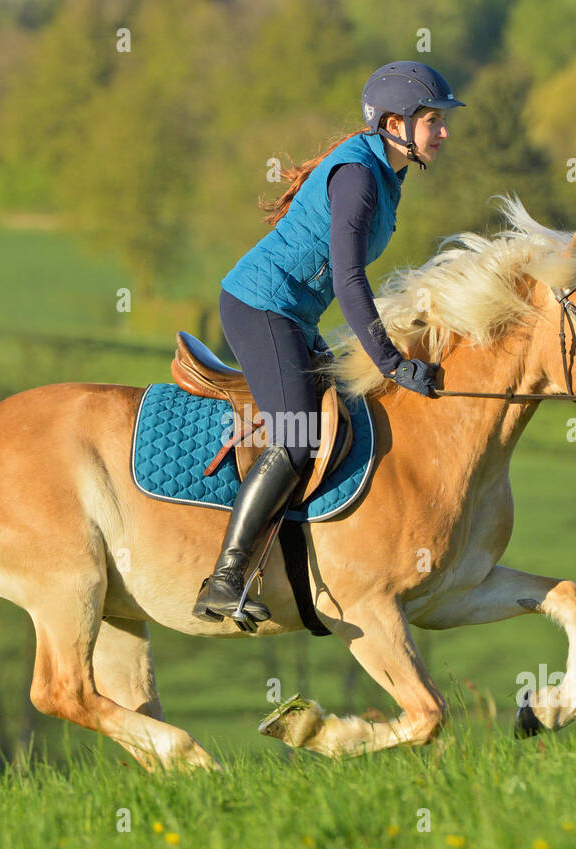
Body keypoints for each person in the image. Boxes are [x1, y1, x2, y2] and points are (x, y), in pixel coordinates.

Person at [192, 60, 465, 625]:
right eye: (433, 120)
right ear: (394, 123)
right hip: (260, 307)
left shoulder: (387, 172)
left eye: (442, 121)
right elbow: (348, 281)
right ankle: (224, 580)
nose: (443, 131)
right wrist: (389, 361)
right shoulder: (360, 177)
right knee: (296, 437)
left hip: (293, 314)